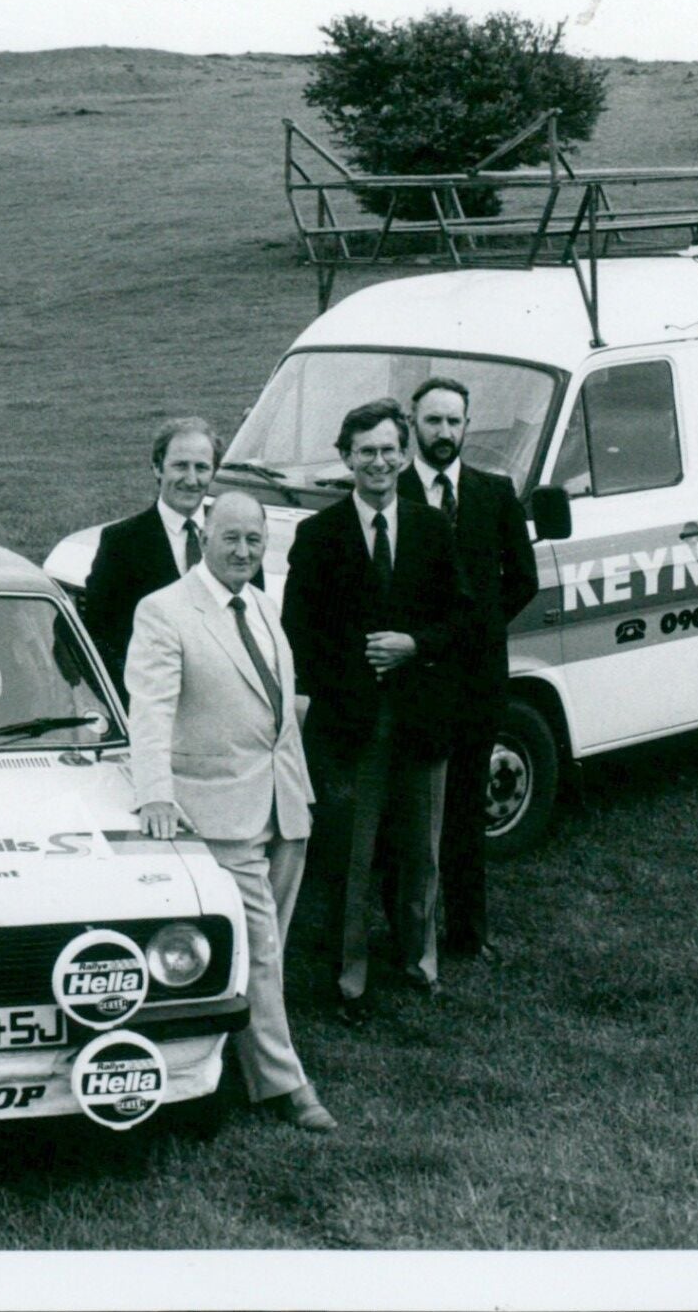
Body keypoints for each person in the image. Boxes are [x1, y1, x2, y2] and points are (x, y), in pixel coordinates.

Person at [125, 491, 335, 1133]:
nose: (243, 550)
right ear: (205, 538)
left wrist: (298, 794)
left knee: (263, 947)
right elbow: (151, 709)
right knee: (262, 946)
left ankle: (233, 1062)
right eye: (230, 539)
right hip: (216, 810)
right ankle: (284, 1084)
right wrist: (155, 792)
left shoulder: (266, 607)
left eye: (254, 539)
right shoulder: (164, 612)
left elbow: (277, 711)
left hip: (283, 807)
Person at [282, 398, 462, 1023]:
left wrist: (414, 646)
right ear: (346, 459)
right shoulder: (318, 536)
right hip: (352, 725)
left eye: (389, 450)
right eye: (366, 452)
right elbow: (297, 635)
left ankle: (419, 962)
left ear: (405, 454)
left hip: (421, 721)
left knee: (421, 852)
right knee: (350, 857)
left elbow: (461, 618)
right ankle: (348, 976)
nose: (379, 462)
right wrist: (362, 667)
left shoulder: (434, 528)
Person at [397, 377, 537, 960]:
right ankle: (410, 933)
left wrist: (477, 634)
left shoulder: (494, 493)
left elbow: (523, 580)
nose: (445, 433)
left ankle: (468, 933)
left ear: (467, 426)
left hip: (477, 682)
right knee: (409, 817)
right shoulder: (392, 490)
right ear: (414, 425)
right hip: (413, 679)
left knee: (464, 813)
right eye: (434, 422)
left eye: (454, 422)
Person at [84, 418, 221, 698]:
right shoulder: (121, 543)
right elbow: (100, 637)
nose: (191, 479)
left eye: (202, 468)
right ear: (157, 468)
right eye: (180, 466)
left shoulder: (232, 536)